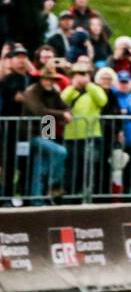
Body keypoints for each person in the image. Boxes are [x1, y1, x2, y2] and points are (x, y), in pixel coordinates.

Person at [22, 64, 70, 202]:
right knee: (61, 152)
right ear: (41, 79)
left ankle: (36, 200)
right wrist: (62, 115)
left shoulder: (54, 92)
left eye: (52, 79)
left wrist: (66, 113)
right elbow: (40, 111)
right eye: (46, 79)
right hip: (31, 134)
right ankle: (53, 183)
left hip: (47, 132)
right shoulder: (32, 91)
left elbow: (66, 107)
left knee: (41, 167)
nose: (49, 82)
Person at [60, 60, 107, 199]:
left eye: (84, 74)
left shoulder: (95, 89)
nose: (81, 77)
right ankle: (71, 195)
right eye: (77, 74)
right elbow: (61, 101)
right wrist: (72, 87)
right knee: (73, 168)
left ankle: (88, 195)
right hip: (72, 136)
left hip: (92, 135)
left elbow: (102, 101)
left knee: (91, 167)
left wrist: (89, 85)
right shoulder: (69, 90)